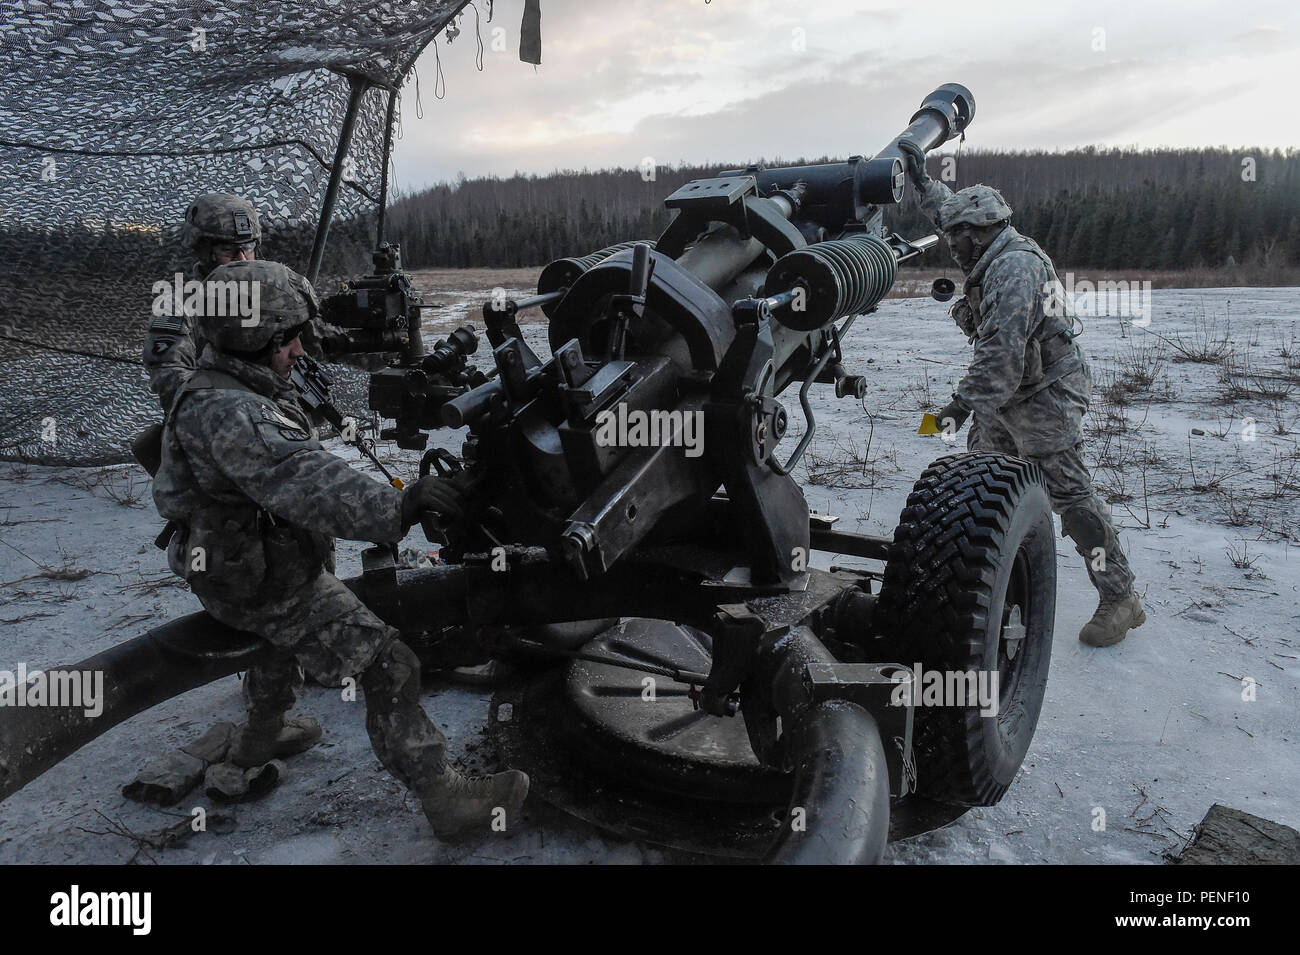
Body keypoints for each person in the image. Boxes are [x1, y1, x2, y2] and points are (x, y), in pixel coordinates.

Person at [150, 258, 528, 837]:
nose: (301, 350)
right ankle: (446, 800)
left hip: (242, 565)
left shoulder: (231, 381)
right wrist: (400, 505)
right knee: (389, 662)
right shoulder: (231, 411)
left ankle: (256, 742)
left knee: (275, 652)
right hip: (255, 578)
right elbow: (307, 480)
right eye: (290, 339)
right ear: (257, 341)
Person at [897, 139, 1145, 647]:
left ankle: (1120, 597)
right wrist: (918, 177)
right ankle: (995, 583)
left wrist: (956, 408)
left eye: (956, 238)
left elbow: (1000, 355)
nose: (951, 247)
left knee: (1069, 496)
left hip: (1047, 392)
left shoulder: (1014, 270)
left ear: (979, 233)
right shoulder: (983, 244)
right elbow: (941, 204)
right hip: (1007, 393)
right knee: (981, 481)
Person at [144, 193, 263, 412]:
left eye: (248, 247)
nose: (242, 259)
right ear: (204, 251)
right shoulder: (177, 308)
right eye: (228, 250)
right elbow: (170, 378)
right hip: (216, 426)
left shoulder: (269, 299)